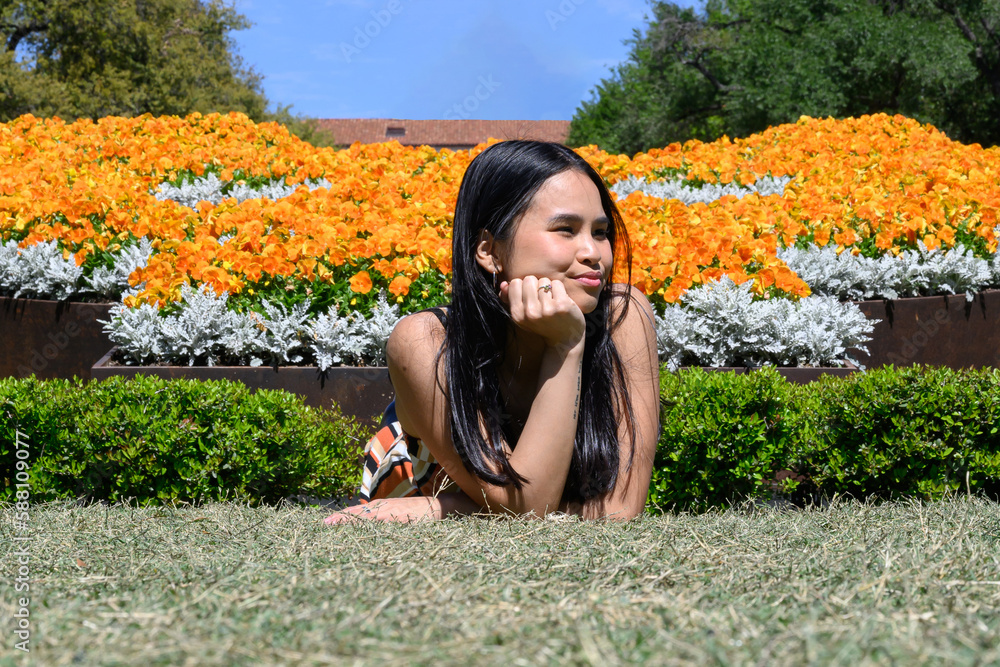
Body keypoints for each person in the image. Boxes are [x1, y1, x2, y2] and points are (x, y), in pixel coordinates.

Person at [324, 140, 660, 524]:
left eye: (600, 232)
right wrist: (566, 347)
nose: (593, 253)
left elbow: (620, 507)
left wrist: (448, 507)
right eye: (565, 229)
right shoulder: (426, 340)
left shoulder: (624, 315)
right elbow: (525, 507)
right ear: (489, 250)